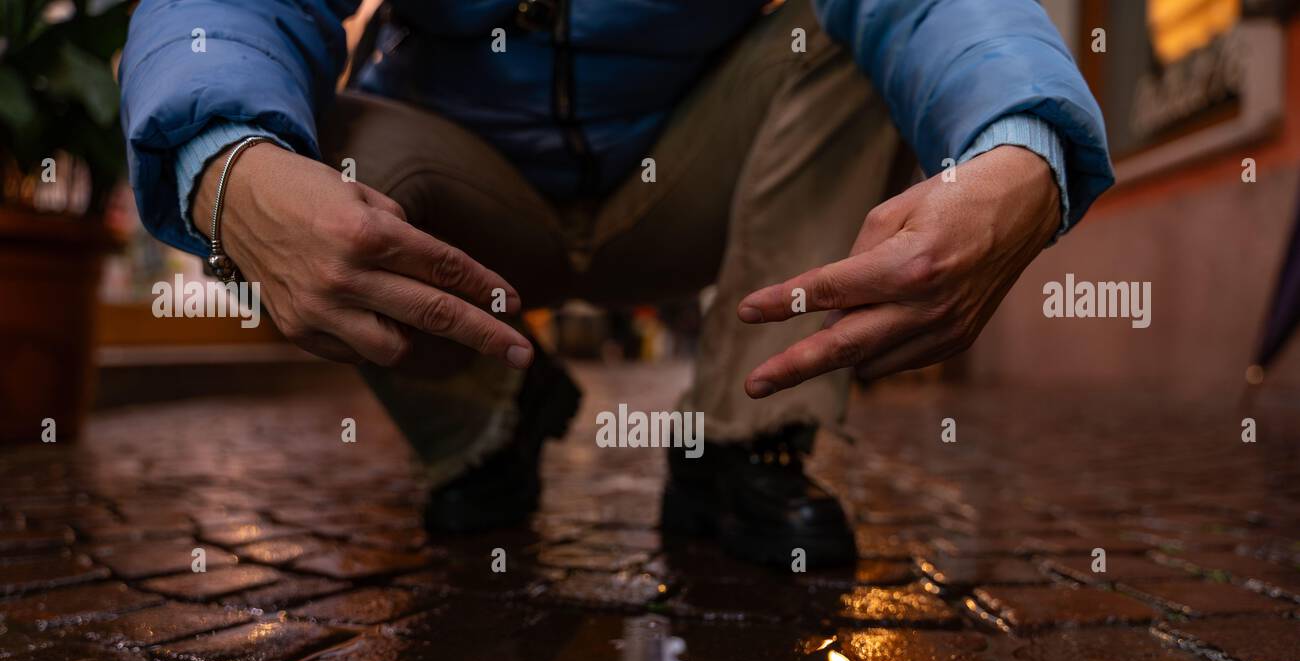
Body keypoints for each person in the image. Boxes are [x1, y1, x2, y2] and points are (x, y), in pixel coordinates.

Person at [119, 0, 1113, 567]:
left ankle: (743, 438)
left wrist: (1019, 145)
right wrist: (222, 163)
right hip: (467, 196)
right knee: (259, 165)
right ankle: (479, 419)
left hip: (678, 182)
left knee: (842, 41)